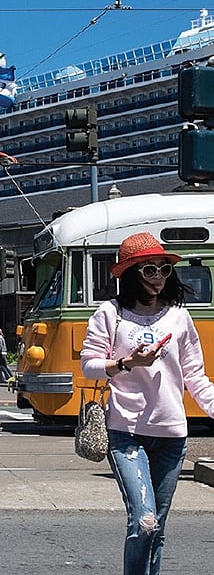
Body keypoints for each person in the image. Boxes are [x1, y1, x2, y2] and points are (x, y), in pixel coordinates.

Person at [80, 231, 214, 575]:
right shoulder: (110, 314)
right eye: (149, 270)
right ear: (130, 274)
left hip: (171, 435)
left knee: (158, 530)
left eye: (163, 270)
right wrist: (127, 363)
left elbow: (195, 376)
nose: (157, 277)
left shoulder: (178, 317)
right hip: (126, 432)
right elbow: (89, 365)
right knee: (144, 520)